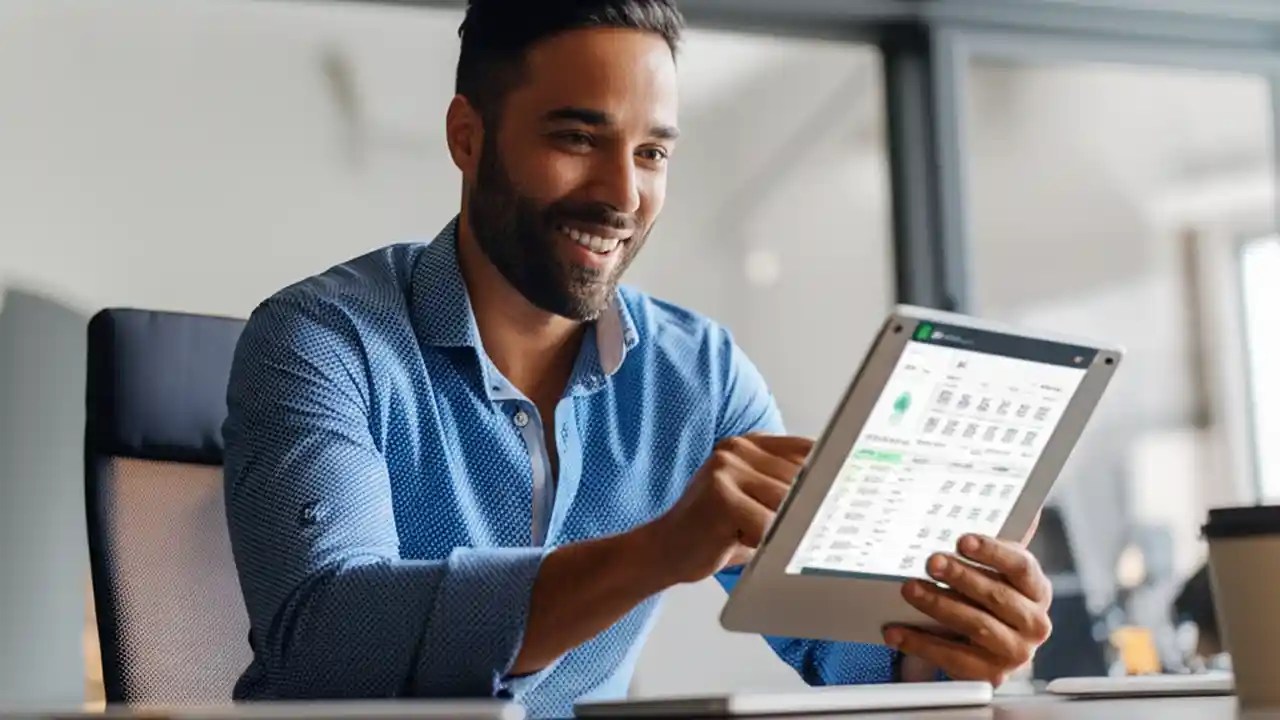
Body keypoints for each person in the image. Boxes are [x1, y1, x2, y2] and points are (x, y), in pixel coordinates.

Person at [222, 1, 1054, 717]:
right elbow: (324, 642)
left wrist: (962, 644)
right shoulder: (321, 340)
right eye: (578, 137)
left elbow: (859, 660)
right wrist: (657, 551)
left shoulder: (703, 377)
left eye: (652, 153)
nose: (623, 194)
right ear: (468, 137)